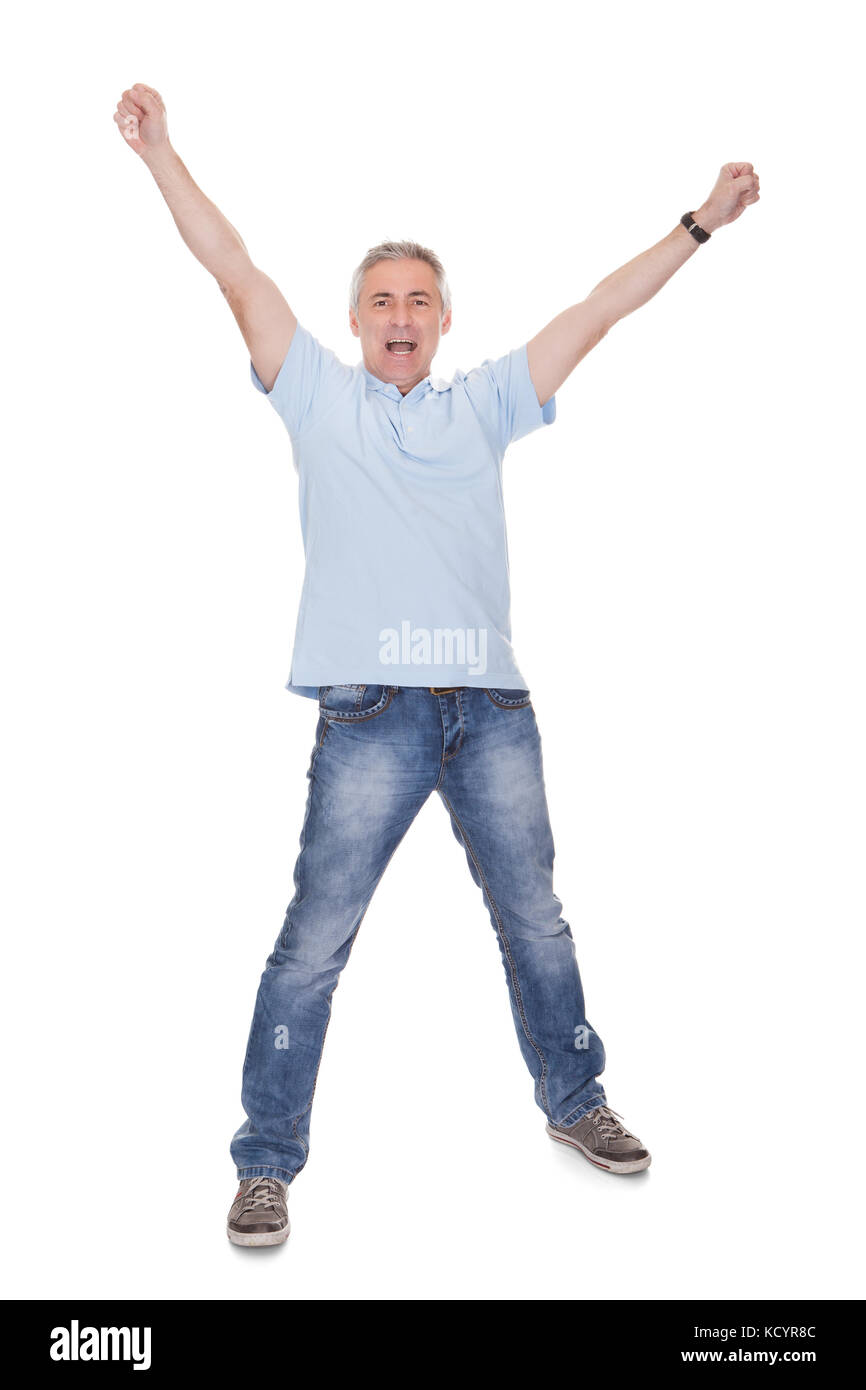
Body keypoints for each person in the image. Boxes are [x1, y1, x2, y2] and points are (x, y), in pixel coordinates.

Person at [115, 82, 760, 1248]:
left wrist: (700, 220)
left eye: (417, 299)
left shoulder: (488, 403)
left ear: (443, 320)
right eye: (379, 300)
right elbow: (234, 267)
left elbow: (599, 308)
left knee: (537, 923)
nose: (398, 314)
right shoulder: (314, 394)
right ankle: (265, 1163)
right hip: (368, 716)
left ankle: (576, 1102)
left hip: (493, 714)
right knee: (313, 943)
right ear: (354, 322)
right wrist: (162, 154)